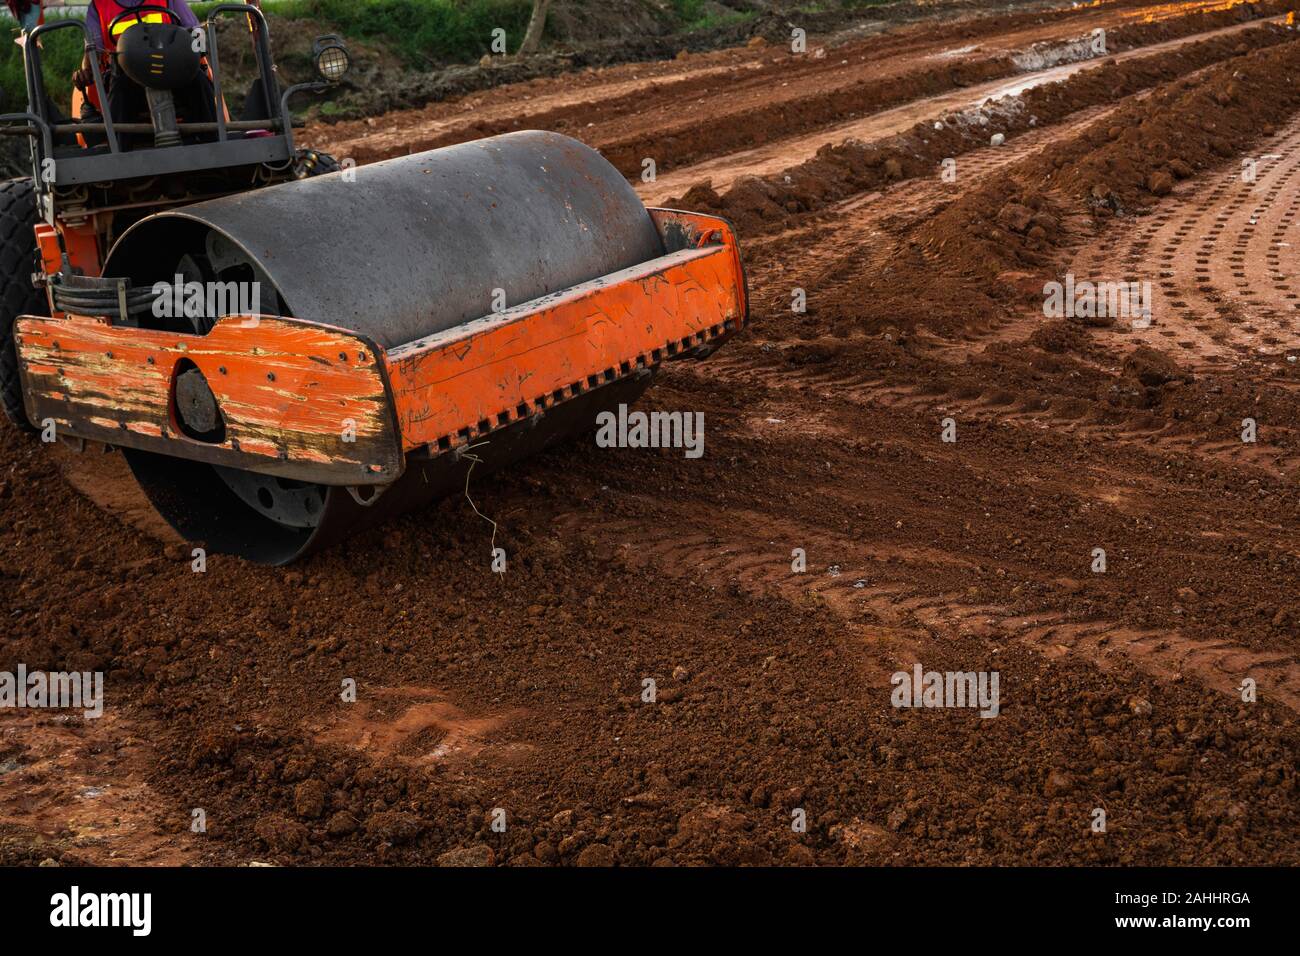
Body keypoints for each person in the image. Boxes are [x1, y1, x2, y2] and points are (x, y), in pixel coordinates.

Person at [74, 0, 215, 143]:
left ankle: (212, 137)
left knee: (198, 79)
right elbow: (93, 49)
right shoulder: (98, 7)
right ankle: (119, 148)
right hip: (127, 76)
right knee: (119, 87)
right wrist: (87, 70)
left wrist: (198, 46)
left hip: (171, 68)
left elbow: (195, 29)